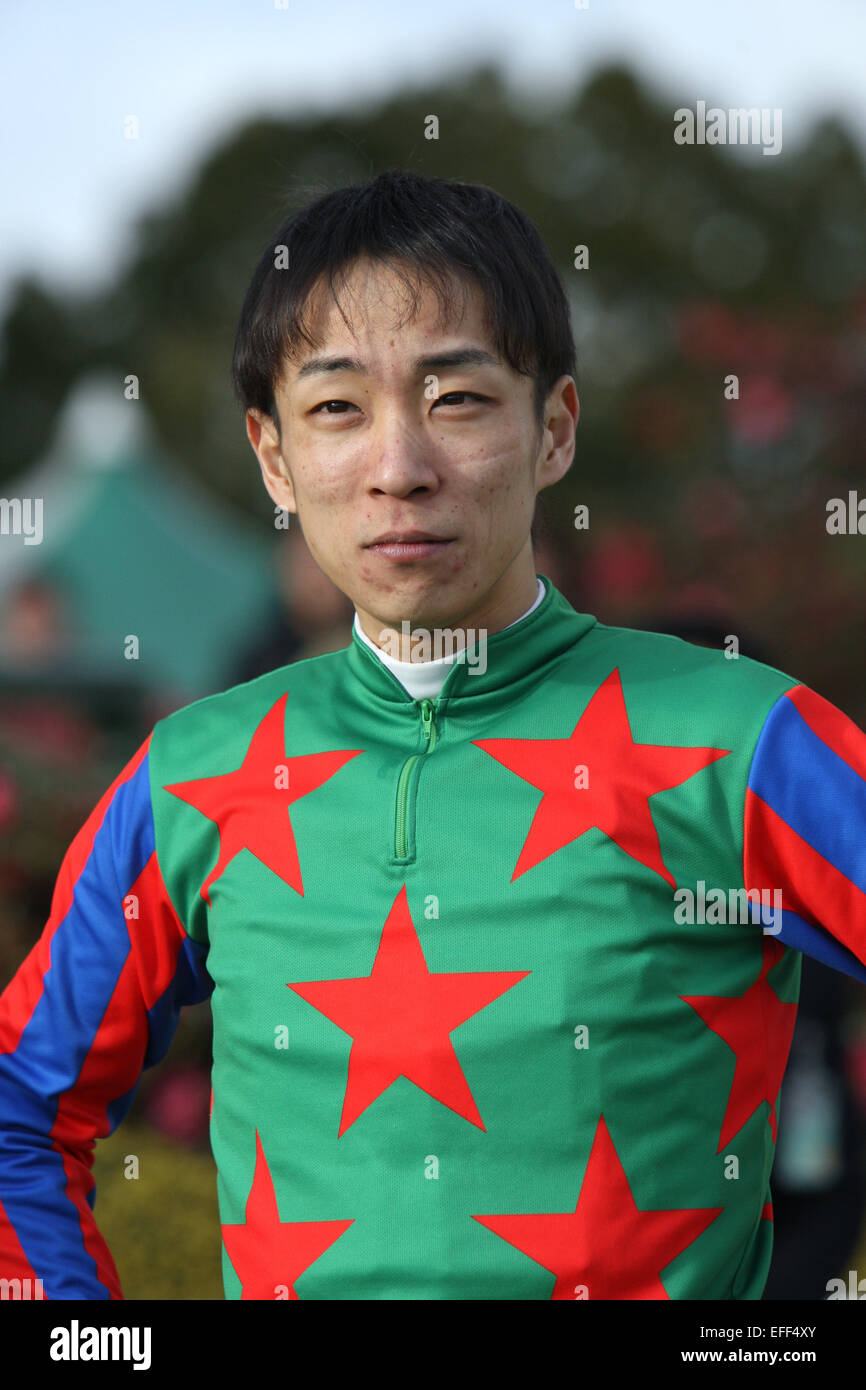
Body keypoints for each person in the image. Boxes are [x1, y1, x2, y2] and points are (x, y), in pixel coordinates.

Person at [1, 169, 865, 1301]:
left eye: (455, 399)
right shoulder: (191, 773)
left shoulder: (741, 735)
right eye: (336, 408)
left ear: (552, 427)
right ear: (273, 457)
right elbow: (22, 1105)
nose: (398, 467)